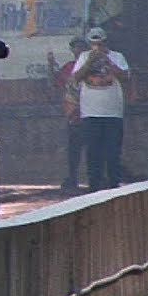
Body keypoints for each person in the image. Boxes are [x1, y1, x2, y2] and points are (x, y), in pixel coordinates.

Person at [71, 27, 130, 191]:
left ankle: (114, 184)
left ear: (105, 42)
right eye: (93, 43)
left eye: (100, 43)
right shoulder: (84, 57)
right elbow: (76, 78)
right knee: (92, 151)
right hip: (90, 112)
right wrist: (90, 61)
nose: (97, 46)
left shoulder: (117, 56)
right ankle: (94, 185)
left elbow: (125, 77)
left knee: (113, 151)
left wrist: (107, 61)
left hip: (113, 112)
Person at [49, 37, 89, 190]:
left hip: (91, 112)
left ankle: (97, 176)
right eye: (75, 47)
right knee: (74, 149)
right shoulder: (69, 67)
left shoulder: (91, 66)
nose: (78, 50)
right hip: (74, 114)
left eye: (81, 47)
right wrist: (51, 65)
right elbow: (55, 82)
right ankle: (73, 177)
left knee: (94, 147)